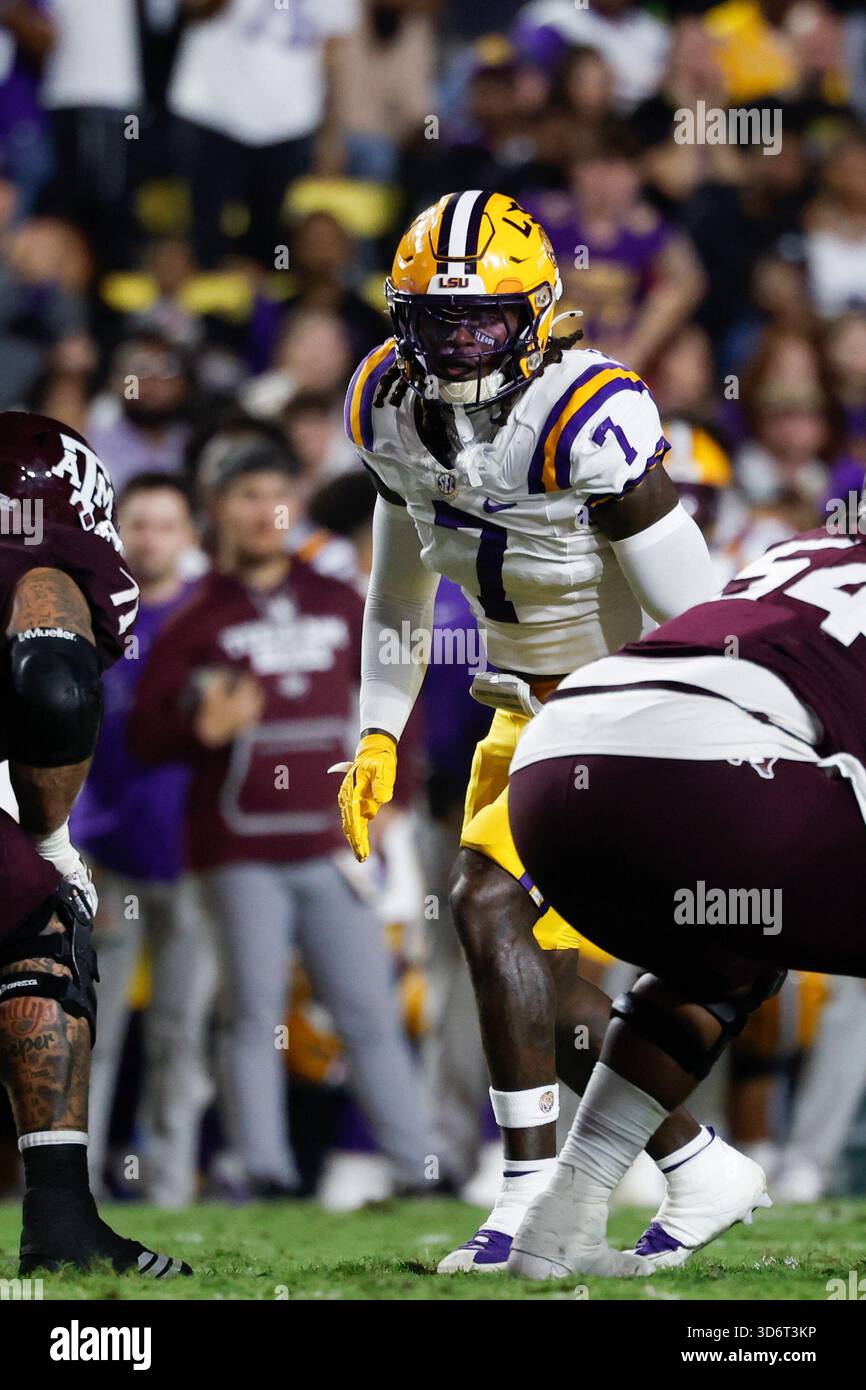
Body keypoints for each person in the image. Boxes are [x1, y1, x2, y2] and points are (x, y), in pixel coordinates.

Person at [335, 190, 758, 1272]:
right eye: (436, 317)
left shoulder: (585, 418)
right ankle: (701, 1165)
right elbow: (394, 599)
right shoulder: (386, 403)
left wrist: (718, 752)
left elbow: (699, 618)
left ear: (538, 314)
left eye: (480, 319)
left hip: (612, 708)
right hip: (514, 711)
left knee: (482, 905)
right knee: (544, 986)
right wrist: (379, 731)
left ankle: (523, 1194)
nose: (457, 341)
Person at [505, 504, 866, 1277]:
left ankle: (562, 1222)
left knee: (726, 953)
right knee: (747, 920)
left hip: (553, 769)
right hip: (706, 779)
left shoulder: (802, 551)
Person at [129, 435, 435, 1197]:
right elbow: (142, 735)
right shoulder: (196, 617)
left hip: (336, 844)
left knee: (369, 1011)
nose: (266, 513)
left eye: (278, 496)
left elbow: (400, 694)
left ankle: (419, 1167)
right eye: (245, 497)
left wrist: (395, 794)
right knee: (250, 1014)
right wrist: (198, 731)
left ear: (295, 505)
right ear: (218, 512)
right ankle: (263, 1168)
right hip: (234, 849)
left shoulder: (340, 601)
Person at [0, 410, 189, 1277]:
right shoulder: (38, 470)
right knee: (43, 932)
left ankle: (64, 1226)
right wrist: (48, 844)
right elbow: (54, 692)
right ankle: (63, 1224)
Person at [70, 473, 216, 1207]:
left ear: (188, 533)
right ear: (116, 532)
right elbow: (58, 746)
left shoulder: (210, 622)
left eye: (166, 523)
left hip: (191, 858)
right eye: (139, 523)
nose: (151, 537)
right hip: (106, 859)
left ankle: (169, 1184)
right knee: (96, 1032)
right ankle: (78, 1183)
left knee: (181, 1030)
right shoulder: (89, 625)